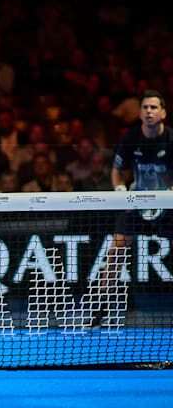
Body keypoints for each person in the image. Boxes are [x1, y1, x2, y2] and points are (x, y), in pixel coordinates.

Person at [84, 90, 173, 325]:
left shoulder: (172, 139)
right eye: (145, 107)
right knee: (116, 250)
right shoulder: (130, 138)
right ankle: (100, 307)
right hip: (137, 202)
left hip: (166, 204)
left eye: (154, 107)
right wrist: (120, 191)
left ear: (163, 113)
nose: (149, 111)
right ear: (140, 113)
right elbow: (117, 171)